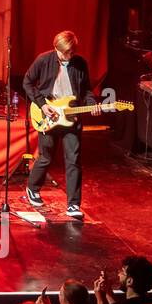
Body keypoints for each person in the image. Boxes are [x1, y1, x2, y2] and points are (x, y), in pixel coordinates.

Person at [22, 30, 100, 217]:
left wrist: (92, 104)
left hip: (71, 116)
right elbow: (27, 82)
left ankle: (73, 204)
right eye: (64, 53)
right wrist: (42, 105)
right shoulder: (44, 60)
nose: (68, 56)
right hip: (49, 113)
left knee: (73, 159)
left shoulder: (80, 63)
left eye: (71, 53)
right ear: (56, 48)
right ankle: (32, 188)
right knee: (46, 157)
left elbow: (87, 89)